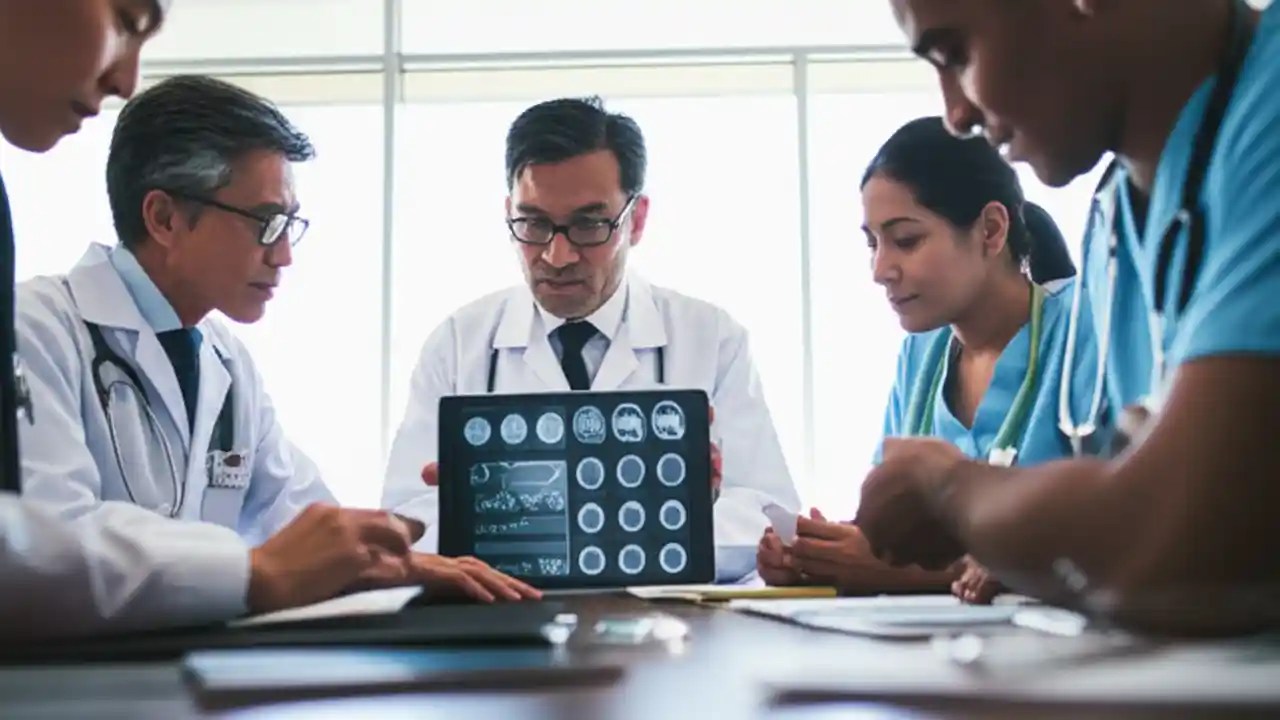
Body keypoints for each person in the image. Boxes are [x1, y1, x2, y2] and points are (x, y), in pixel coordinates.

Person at [0, 3, 525, 640]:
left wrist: (407, 551)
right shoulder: (36, 331)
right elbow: (46, 544)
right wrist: (251, 570)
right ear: (164, 218)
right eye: (266, 223)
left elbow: (304, 520)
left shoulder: (225, 363)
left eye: (289, 225)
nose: (284, 255)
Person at [856, 0, 1280, 634]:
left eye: (957, 54)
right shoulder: (1114, 223)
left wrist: (948, 487)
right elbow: (1118, 516)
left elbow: (1170, 542)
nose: (957, 113)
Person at [384, 96, 800, 579]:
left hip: (666, 618)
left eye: (588, 225)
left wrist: (650, 516)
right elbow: (406, 518)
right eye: (534, 224)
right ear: (509, 214)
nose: (557, 256)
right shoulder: (457, 344)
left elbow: (766, 516)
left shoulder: (712, 339)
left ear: (636, 220)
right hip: (506, 614)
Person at [757, 116, 1100, 602]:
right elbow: (890, 532)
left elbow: (1122, 529)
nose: (880, 270)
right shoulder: (921, 354)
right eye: (872, 243)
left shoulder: (1085, 333)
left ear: (991, 230)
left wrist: (914, 572)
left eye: (906, 240)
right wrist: (820, 557)